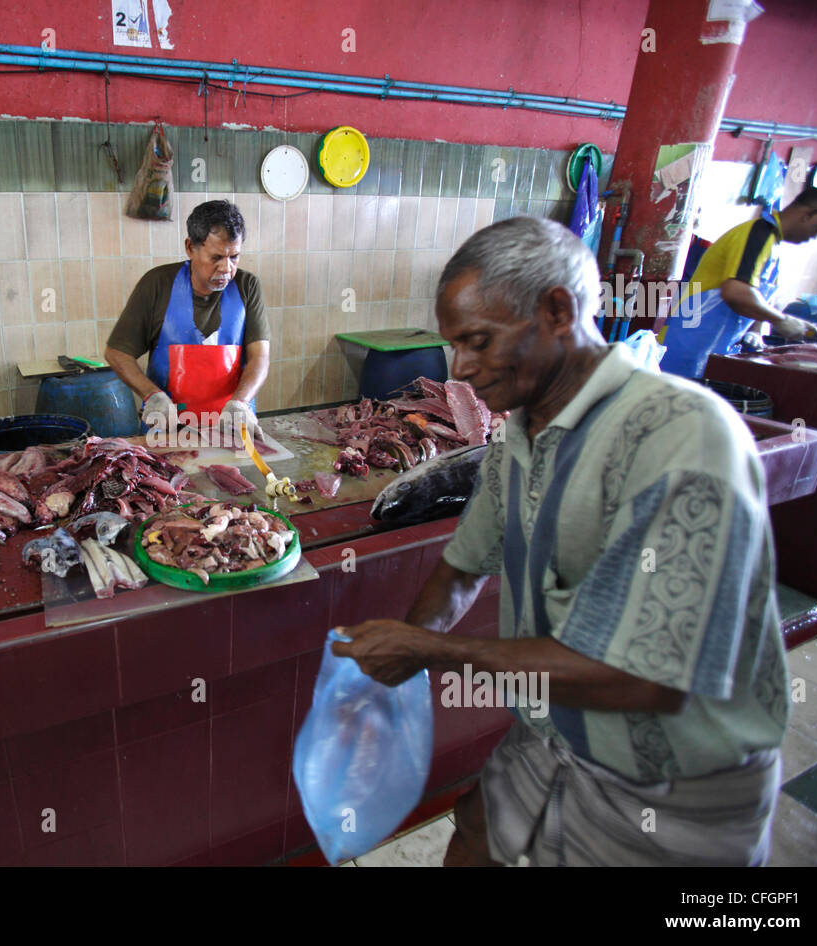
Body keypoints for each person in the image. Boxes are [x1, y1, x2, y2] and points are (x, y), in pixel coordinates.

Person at [336, 217, 789, 866]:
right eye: (454, 346)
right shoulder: (515, 442)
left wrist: (432, 649)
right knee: (475, 836)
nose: (460, 369)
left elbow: (646, 680)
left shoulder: (683, 437)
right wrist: (396, 674)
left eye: (477, 341)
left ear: (556, 310)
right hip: (551, 737)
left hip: (667, 782)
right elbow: (461, 572)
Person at [104, 200, 270, 440]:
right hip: (168, 432)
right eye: (216, 258)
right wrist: (152, 395)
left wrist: (241, 403)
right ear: (190, 247)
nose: (226, 268)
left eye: (234, 257)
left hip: (230, 429)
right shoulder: (157, 285)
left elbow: (260, 356)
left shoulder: (247, 286)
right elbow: (117, 352)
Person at [659, 185, 817, 379]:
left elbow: (758, 295)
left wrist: (757, 330)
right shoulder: (758, 235)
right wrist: (781, 319)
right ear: (810, 214)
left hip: (711, 348)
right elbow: (736, 292)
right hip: (685, 346)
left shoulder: (773, 246)